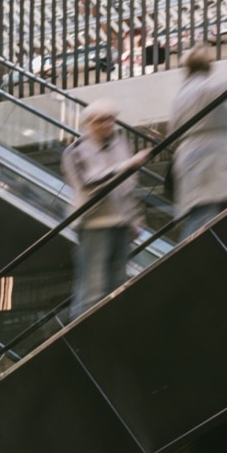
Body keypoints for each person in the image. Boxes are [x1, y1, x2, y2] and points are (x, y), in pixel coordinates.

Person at [61, 101, 146, 319]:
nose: (106, 124)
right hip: (93, 223)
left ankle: (112, 329)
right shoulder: (75, 151)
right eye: (100, 120)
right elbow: (89, 184)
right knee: (93, 286)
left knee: (117, 283)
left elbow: (128, 185)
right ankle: (83, 333)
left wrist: (134, 217)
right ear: (89, 123)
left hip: (120, 222)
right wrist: (125, 166)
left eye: (110, 119)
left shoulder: (121, 143)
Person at [169, 43, 227, 240]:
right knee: (204, 216)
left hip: (193, 158)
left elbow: (172, 132)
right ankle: (182, 264)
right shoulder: (205, 87)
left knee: (206, 214)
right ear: (209, 65)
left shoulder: (182, 95)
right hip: (209, 159)